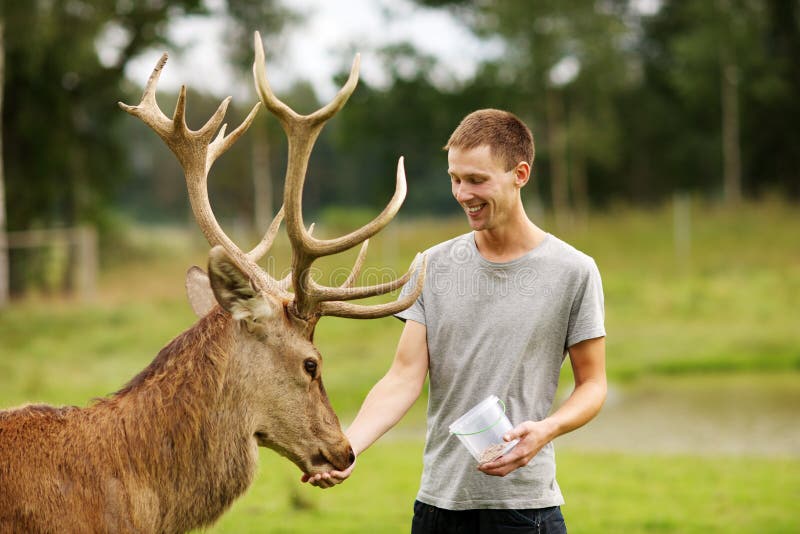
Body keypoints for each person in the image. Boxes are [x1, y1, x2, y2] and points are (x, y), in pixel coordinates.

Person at [302, 109, 607, 533]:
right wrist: (348, 447)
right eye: (455, 179)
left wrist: (547, 430)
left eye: (477, 180)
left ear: (520, 174)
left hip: (524, 511)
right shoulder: (432, 266)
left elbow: (593, 384)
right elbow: (403, 377)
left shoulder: (573, 271)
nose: (463, 194)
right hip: (437, 509)